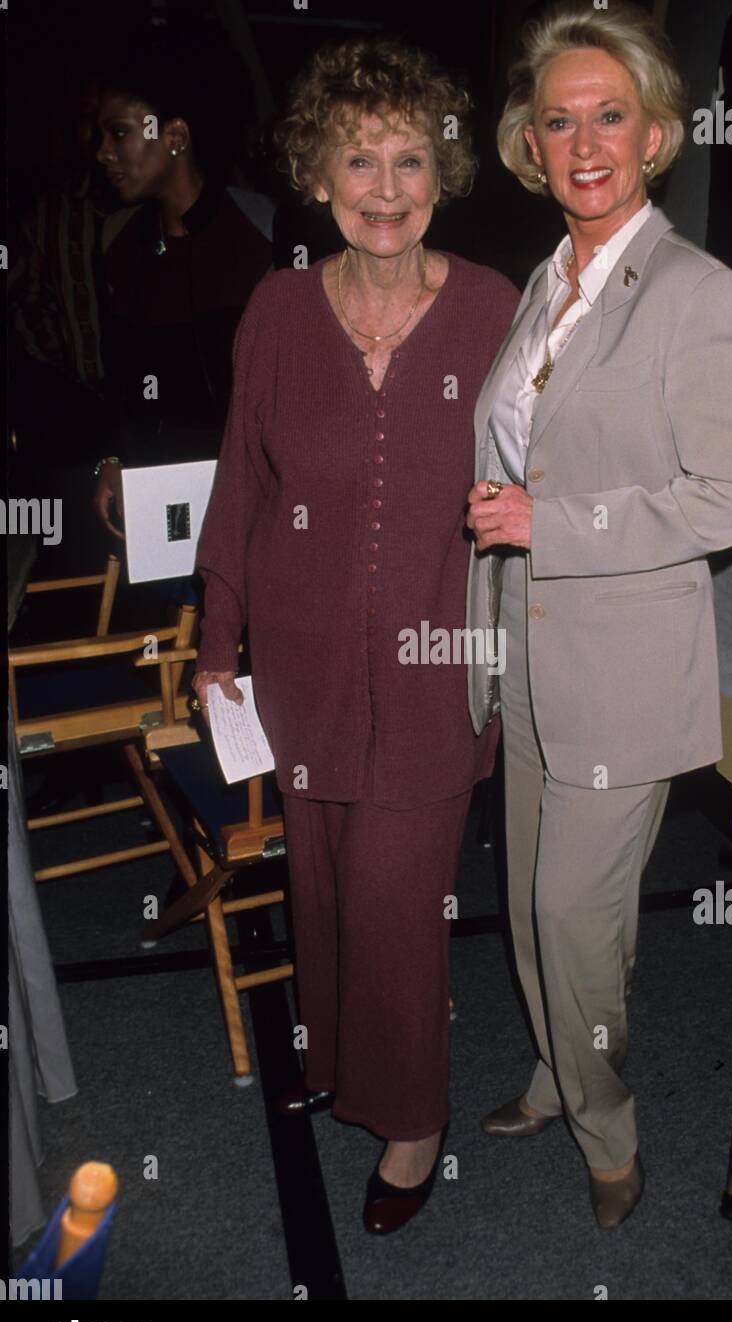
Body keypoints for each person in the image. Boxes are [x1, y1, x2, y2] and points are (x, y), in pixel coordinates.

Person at [192, 36, 519, 1235]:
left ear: (443, 174)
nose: (387, 186)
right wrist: (218, 639)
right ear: (317, 177)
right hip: (304, 661)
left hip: (440, 670)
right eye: (359, 161)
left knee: (396, 902)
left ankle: (414, 1119)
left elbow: (556, 463)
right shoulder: (278, 309)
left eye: (410, 160)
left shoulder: (492, 309)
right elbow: (241, 481)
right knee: (323, 889)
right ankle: (346, 1064)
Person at [466, 0, 732, 1230]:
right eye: (557, 120)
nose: (582, 142)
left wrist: (557, 527)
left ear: (656, 135)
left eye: (609, 117)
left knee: (568, 918)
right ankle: (556, 1068)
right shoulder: (547, 283)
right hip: (526, 646)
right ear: (525, 143)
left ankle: (609, 1129)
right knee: (538, 901)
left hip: (623, 667)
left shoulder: (698, 293)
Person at [91, 19, 274, 552]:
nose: (103, 152)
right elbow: (118, 374)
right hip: (155, 501)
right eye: (100, 136)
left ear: (174, 136)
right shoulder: (118, 241)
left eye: (119, 132)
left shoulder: (263, 230)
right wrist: (111, 457)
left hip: (249, 501)